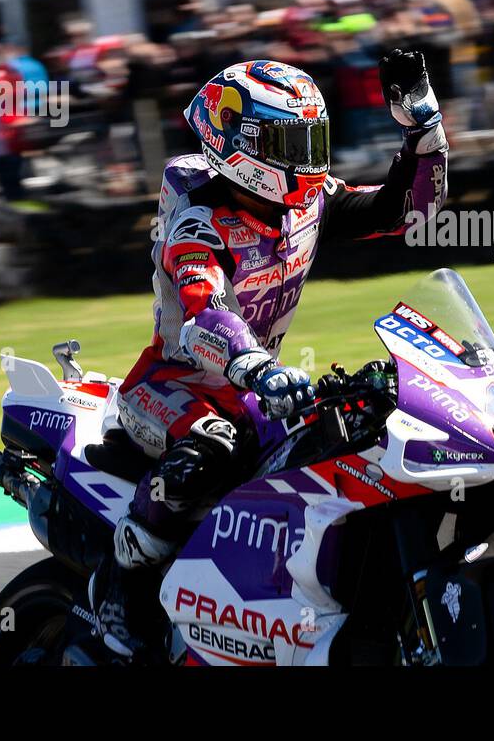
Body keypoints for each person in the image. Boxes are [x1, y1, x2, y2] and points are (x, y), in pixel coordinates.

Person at [91, 50, 448, 661]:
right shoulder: (199, 221)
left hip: (259, 391)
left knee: (347, 436)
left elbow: (410, 212)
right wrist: (253, 365)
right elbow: (203, 306)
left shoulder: (306, 205)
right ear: (239, 143)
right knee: (214, 447)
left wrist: (423, 127)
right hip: (176, 383)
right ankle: (119, 582)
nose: (306, 155)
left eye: (311, 137)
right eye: (289, 139)